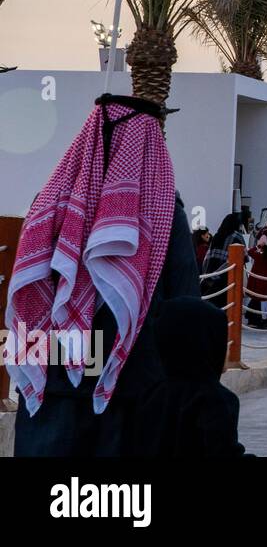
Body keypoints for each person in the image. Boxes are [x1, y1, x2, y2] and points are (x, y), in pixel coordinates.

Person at [9, 95, 201, 457]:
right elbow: (185, 301)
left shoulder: (50, 201)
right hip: (127, 379)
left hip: (54, 373)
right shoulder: (161, 212)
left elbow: (28, 287)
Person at [137, 296, 247, 457]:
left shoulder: (151, 394)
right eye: (223, 341)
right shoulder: (216, 399)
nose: (228, 350)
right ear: (207, 343)